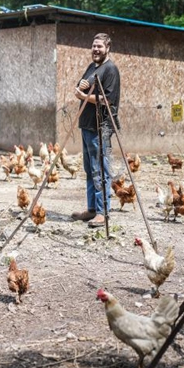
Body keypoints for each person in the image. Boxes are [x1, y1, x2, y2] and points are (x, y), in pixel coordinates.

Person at [70, 33, 121, 227]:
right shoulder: (92, 67)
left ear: (108, 47)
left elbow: (107, 100)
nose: (96, 49)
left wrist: (82, 95)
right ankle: (91, 209)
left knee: (101, 170)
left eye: (99, 46)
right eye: (93, 46)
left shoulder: (111, 70)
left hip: (102, 127)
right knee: (90, 170)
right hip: (87, 125)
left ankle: (102, 212)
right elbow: (82, 89)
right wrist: (80, 88)